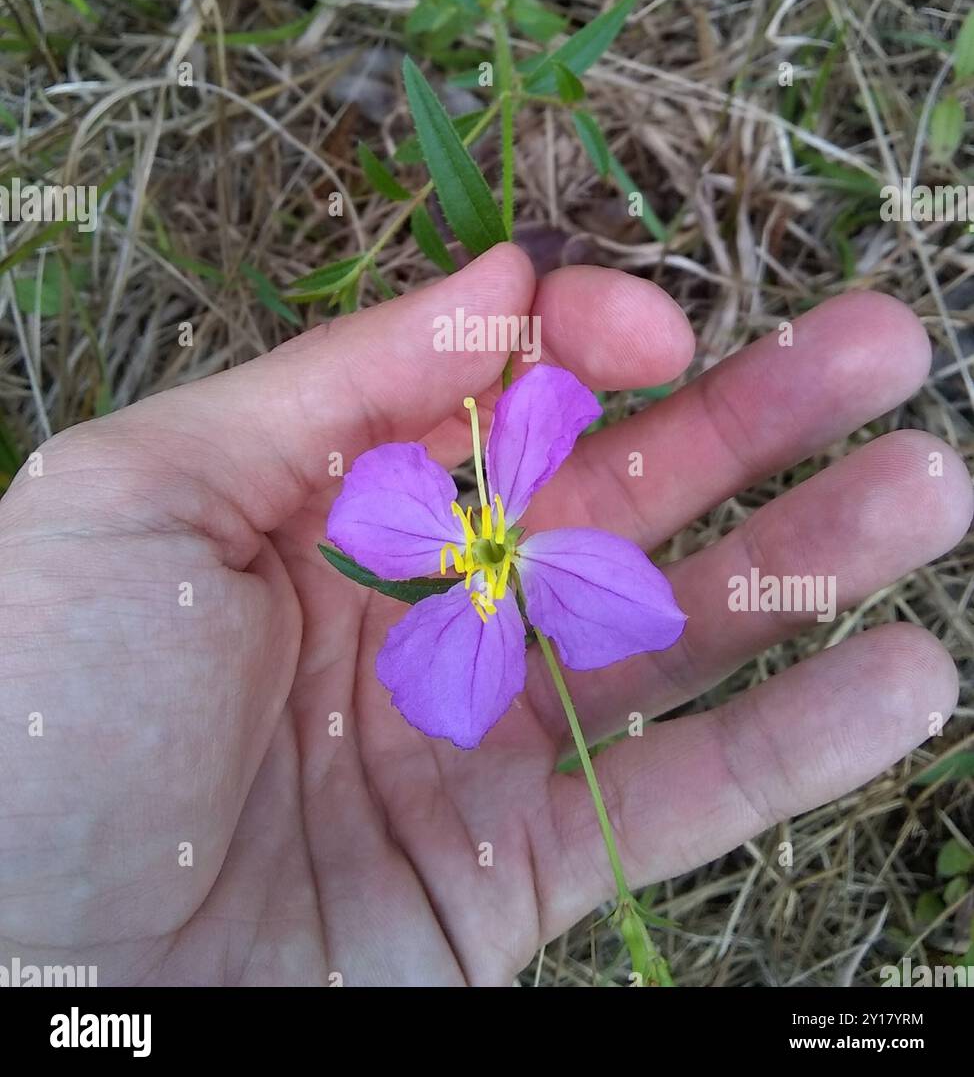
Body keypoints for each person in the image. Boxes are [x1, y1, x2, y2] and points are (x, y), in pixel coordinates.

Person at [0, 244, 968, 986]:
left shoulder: (498, 538)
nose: (488, 552)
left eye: (489, 546)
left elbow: (553, 445)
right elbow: (380, 515)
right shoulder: (443, 539)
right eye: (483, 550)